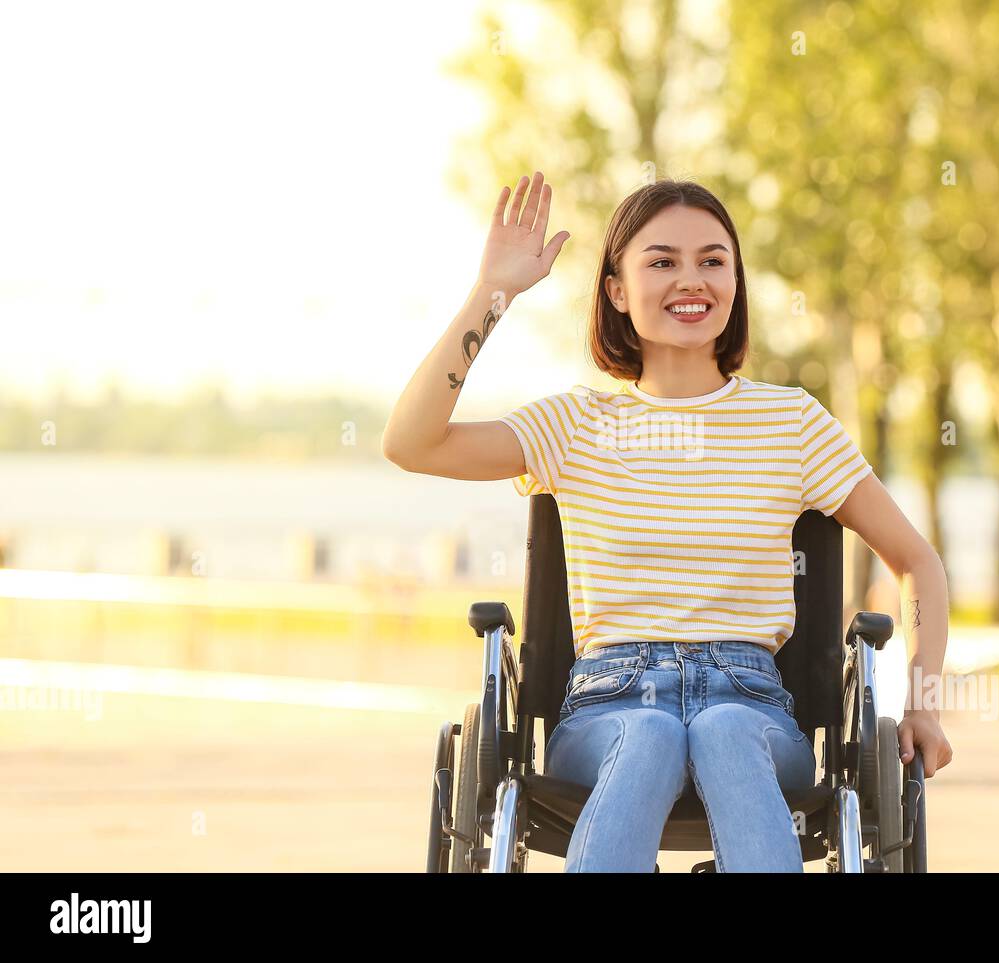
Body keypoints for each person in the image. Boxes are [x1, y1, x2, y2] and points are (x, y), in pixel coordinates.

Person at [382, 171, 954, 872]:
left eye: (713, 260)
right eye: (662, 261)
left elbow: (917, 561)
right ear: (617, 290)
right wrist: (492, 292)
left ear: (736, 283)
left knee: (723, 727)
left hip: (752, 705)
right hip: (607, 707)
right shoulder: (576, 422)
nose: (693, 279)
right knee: (650, 731)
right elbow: (410, 442)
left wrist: (922, 703)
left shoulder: (793, 423)